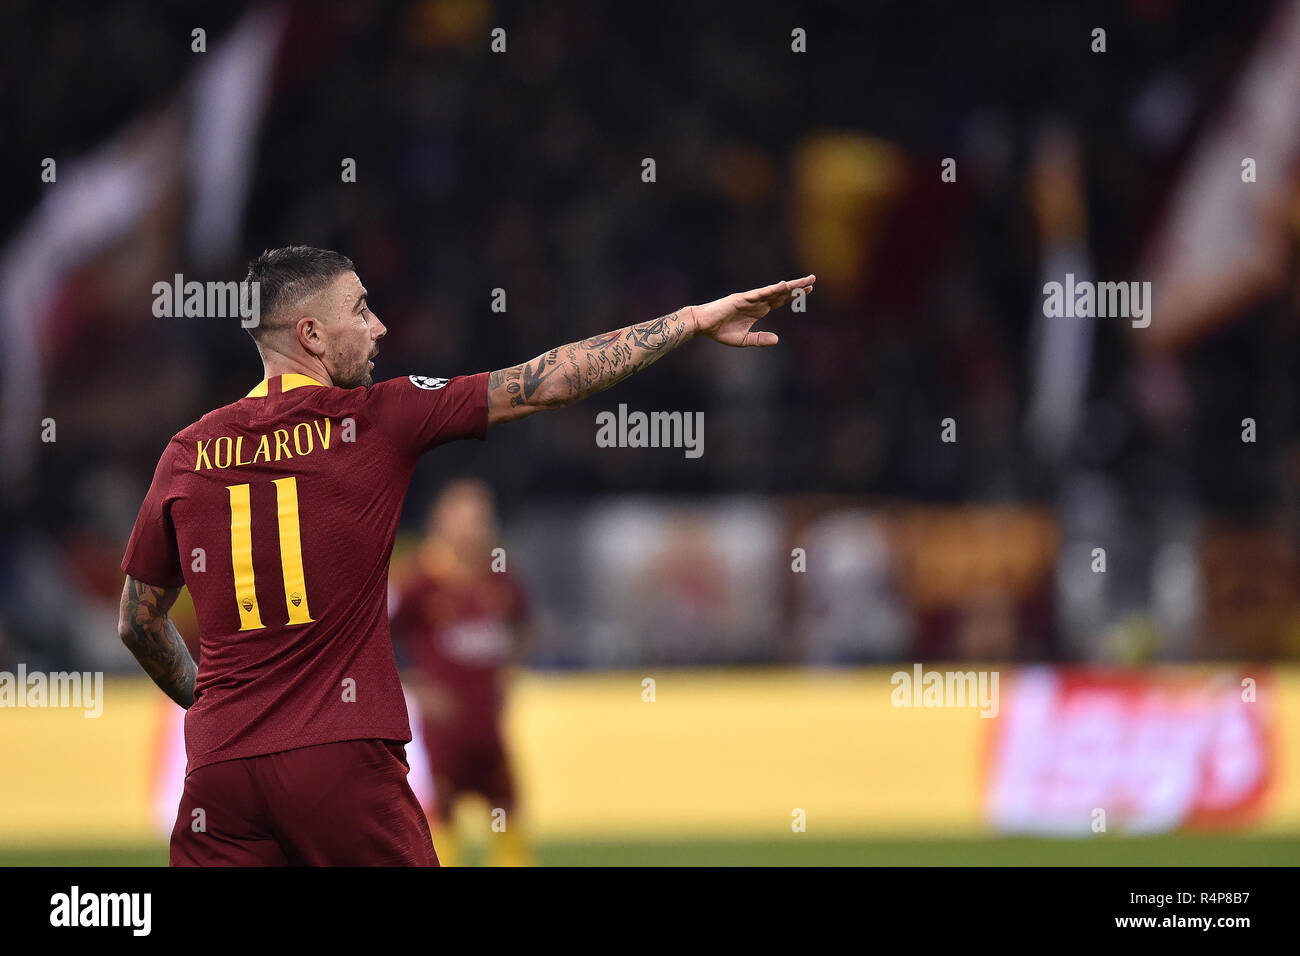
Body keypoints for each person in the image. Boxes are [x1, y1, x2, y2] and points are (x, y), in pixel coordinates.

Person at [117, 244, 813, 865]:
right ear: (312, 333)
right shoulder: (376, 418)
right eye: (361, 310)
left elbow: (139, 622)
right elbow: (550, 379)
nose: (379, 327)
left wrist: (211, 705)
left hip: (219, 773)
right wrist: (690, 321)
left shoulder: (188, 452)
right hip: (341, 762)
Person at [391, 480, 531, 866]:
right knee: (441, 823)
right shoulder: (418, 580)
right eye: (466, 519)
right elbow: (381, 636)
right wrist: (416, 684)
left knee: (508, 815)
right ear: (442, 523)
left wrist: (508, 673)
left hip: (489, 724)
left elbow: (522, 626)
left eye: (481, 518)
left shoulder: (500, 576)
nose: (475, 527)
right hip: (443, 731)